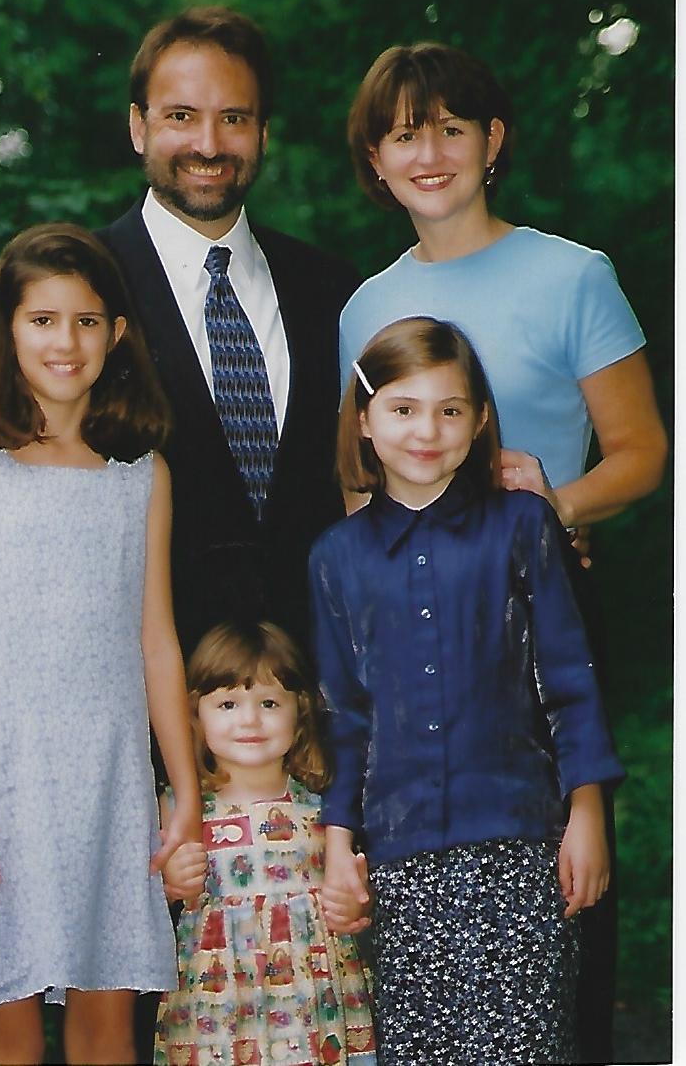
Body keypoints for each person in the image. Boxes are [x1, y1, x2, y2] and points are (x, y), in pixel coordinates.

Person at [339, 42, 667, 1061]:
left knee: (565, 903)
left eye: (450, 126)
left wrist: (555, 506)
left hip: (541, 620)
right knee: (427, 916)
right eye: (404, 133)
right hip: (411, 638)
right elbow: (356, 487)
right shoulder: (363, 306)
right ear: (375, 159)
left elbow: (645, 455)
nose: (428, 151)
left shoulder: (573, 274)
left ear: (493, 142)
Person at [0, 224, 201, 1065]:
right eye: (42, 319)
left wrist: (181, 789)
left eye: (85, 320)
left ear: (117, 333)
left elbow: (157, 641)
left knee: (108, 1018)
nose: (64, 341)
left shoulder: (141, 475)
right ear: (8, 328)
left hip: (109, 782)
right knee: (3, 1017)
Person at [309, 317, 626, 1065]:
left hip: (520, 844)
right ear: (363, 419)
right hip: (400, 858)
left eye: (449, 410)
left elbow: (569, 680)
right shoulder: (336, 557)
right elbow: (343, 718)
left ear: (480, 419)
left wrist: (585, 814)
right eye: (402, 408)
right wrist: (336, 846)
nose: (427, 430)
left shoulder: (522, 526)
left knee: (524, 1045)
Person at [98, 6, 360, 656]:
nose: (209, 145)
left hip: (313, 690)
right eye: (180, 116)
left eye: (233, 118)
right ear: (138, 127)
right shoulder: (81, 289)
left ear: (263, 132)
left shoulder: (332, 290)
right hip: (138, 691)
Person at [153, 619, 377, 1066]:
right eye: (229, 704)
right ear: (194, 716)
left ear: (300, 714)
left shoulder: (324, 809)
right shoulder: (180, 810)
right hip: (216, 1015)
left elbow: (356, 900)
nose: (250, 720)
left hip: (312, 1008)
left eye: (269, 702)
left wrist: (356, 907)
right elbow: (148, 909)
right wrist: (169, 886)